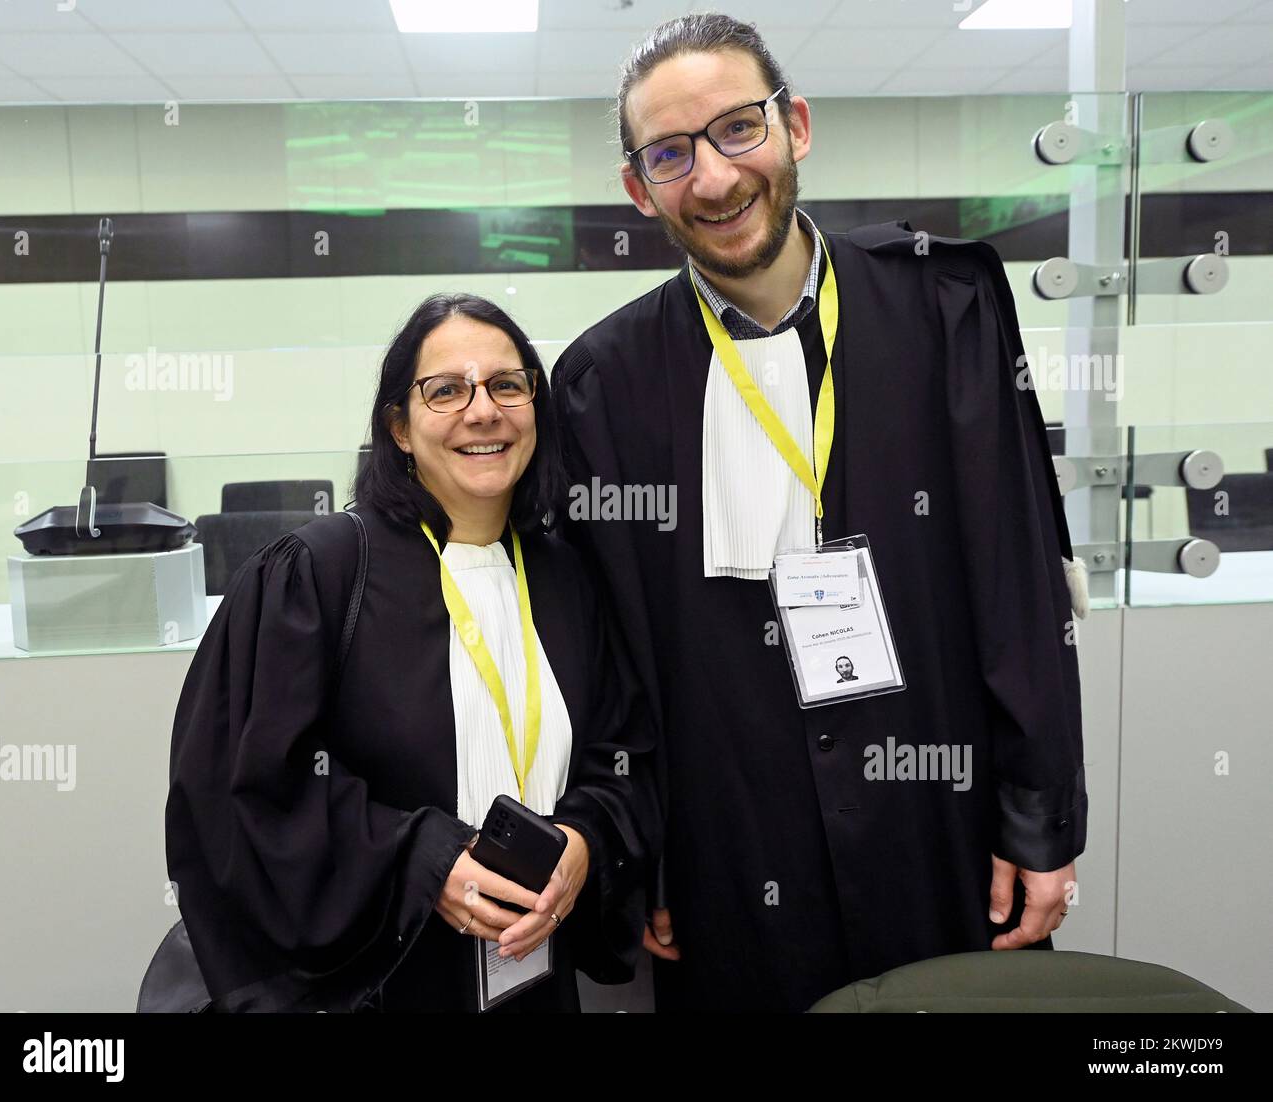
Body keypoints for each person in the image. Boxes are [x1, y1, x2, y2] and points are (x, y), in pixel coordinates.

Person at [552, 13, 1087, 1012]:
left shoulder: (945, 307)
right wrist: (645, 852)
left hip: (942, 817)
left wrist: (1038, 817)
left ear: (794, 124)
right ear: (638, 187)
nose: (711, 179)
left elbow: (1017, 580)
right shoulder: (601, 383)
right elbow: (612, 659)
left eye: (735, 130)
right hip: (730, 848)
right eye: (669, 153)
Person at [166, 293, 659, 1012]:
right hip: (382, 987)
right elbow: (242, 790)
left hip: (536, 975)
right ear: (398, 427)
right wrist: (422, 862)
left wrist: (584, 839)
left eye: (506, 385)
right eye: (446, 391)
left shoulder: (566, 576)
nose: (482, 411)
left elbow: (625, 751)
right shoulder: (320, 574)